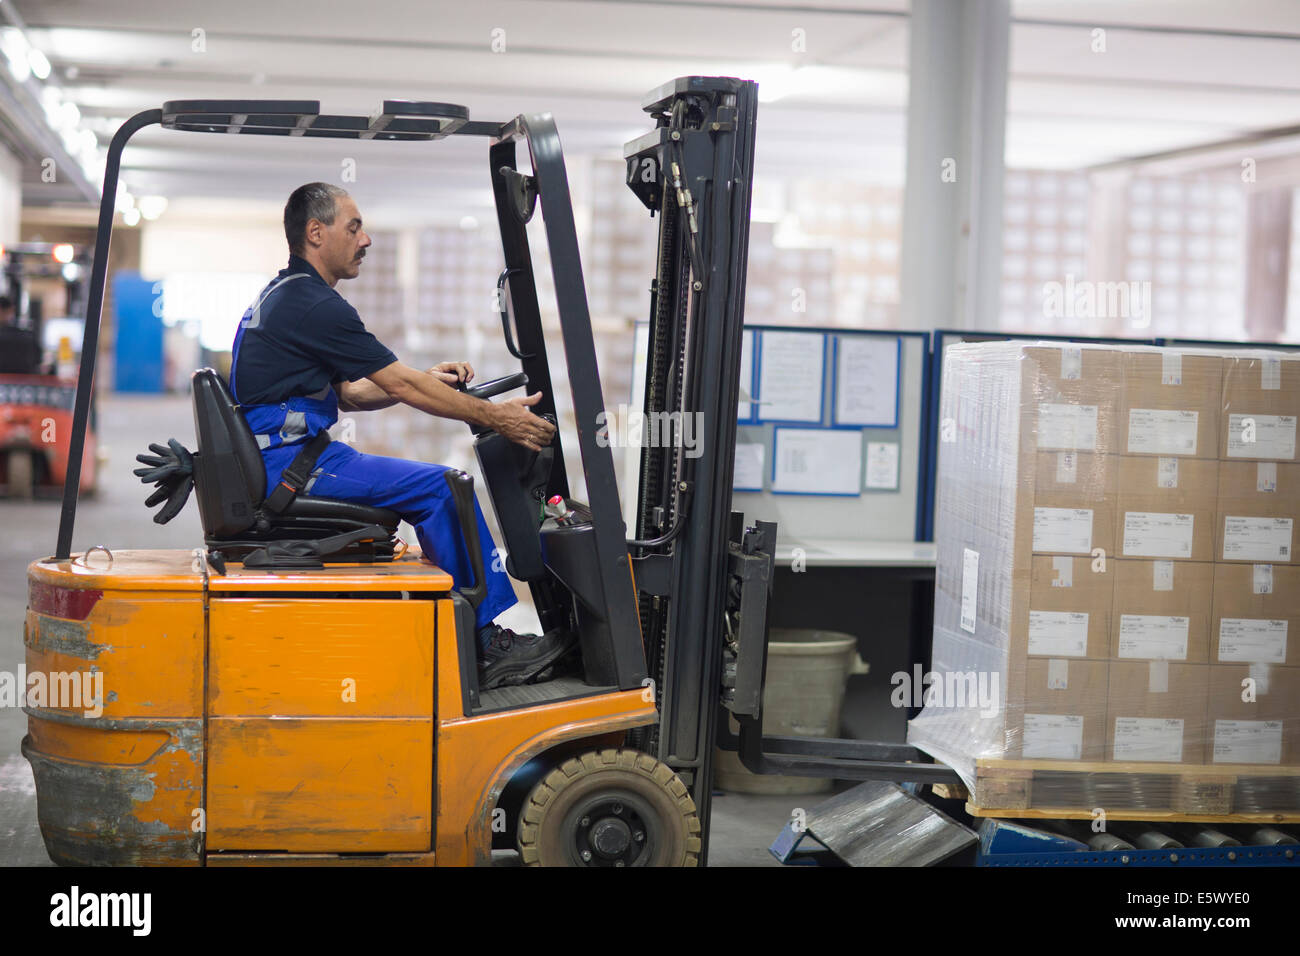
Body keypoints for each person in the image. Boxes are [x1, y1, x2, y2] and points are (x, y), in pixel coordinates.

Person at [230, 182, 569, 689]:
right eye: (354, 227)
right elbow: (397, 384)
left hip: (287, 458)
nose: (365, 239)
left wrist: (425, 381)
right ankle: (485, 644)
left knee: (435, 484)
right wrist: (497, 418)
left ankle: (474, 631)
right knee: (442, 488)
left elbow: (352, 394)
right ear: (316, 233)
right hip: (291, 468)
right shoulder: (314, 304)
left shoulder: (289, 295)